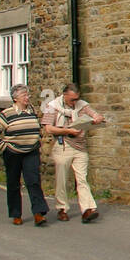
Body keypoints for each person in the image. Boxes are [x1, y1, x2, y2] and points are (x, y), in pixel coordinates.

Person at [42, 82, 106, 223]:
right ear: (64, 95)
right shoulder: (52, 106)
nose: (75, 102)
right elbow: (48, 128)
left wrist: (98, 118)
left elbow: (96, 115)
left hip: (80, 146)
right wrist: (67, 130)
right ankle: (62, 208)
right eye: (72, 99)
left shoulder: (82, 105)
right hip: (63, 145)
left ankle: (87, 209)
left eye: (77, 99)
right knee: (62, 179)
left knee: (82, 178)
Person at [0, 84, 49, 226]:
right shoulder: (7, 114)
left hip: (31, 151)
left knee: (33, 181)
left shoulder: (32, 111)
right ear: (15, 98)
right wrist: (5, 147)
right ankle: (16, 214)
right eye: (24, 95)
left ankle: (38, 213)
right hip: (12, 153)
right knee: (13, 183)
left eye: (28, 95)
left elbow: (38, 128)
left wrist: (37, 139)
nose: (27, 98)